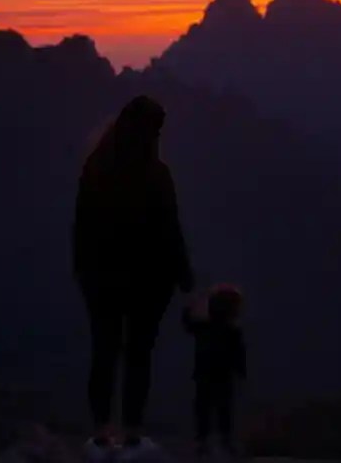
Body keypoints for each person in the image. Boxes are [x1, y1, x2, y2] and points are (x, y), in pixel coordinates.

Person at [74, 95, 194, 459]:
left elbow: (82, 227)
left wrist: (84, 272)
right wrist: (183, 274)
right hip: (147, 281)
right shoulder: (156, 173)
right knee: (137, 354)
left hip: (103, 280)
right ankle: (131, 434)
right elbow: (170, 228)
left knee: (105, 351)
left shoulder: (96, 167)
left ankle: (101, 434)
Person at [183, 284, 247, 457]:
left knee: (204, 408)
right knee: (223, 410)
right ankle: (224, 441)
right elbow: (239, 355)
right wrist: (241, 373)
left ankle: (202, 442)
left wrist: (193, 303)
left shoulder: (203, 326)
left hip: (204, 374)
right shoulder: (233, 331)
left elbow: (187, 322)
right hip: (223, 376)